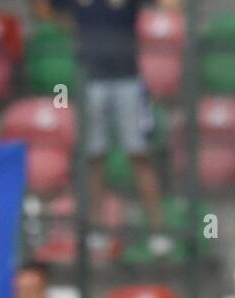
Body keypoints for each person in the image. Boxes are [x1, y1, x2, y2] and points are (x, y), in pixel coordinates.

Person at [37, 0, 173, 256]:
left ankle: (158, 230)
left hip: (128, 81)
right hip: (92, 81)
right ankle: (97, 229)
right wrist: (70, 27)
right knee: (94, 157)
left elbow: (170, 5)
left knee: (140, 155)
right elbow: (47, 9)